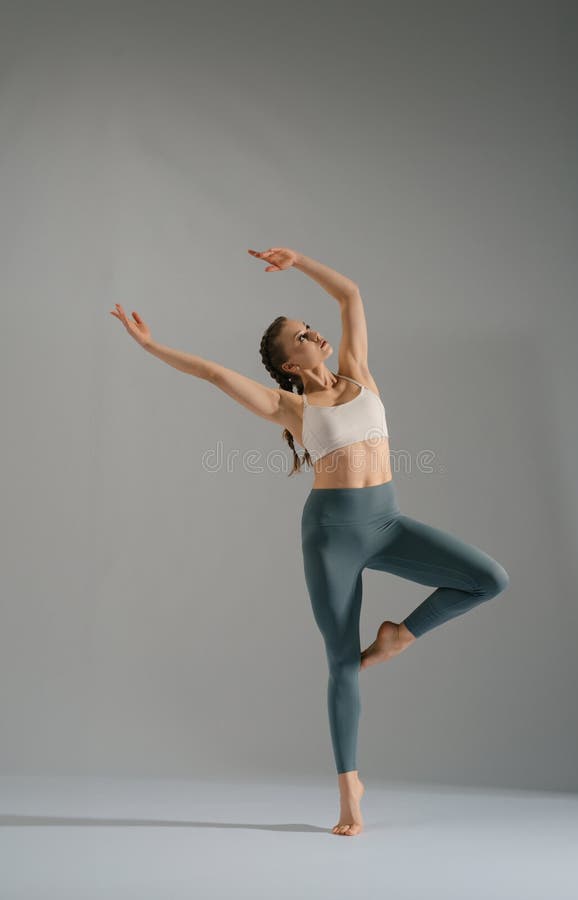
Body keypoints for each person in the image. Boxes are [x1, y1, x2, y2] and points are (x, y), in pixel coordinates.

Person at [110, 246, 510, 837]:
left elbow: (349, 294)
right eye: (301, 334)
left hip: (389, 523)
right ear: (290, 362)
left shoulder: (359, 371)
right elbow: (215, 374)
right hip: (332, 536)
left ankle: (400, 635)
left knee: (487, 578)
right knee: (341, 661)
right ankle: (350, 794)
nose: (315, 332)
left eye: (309, 326)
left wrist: (297, 261)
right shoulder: (290, 407)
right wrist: (150, 346)